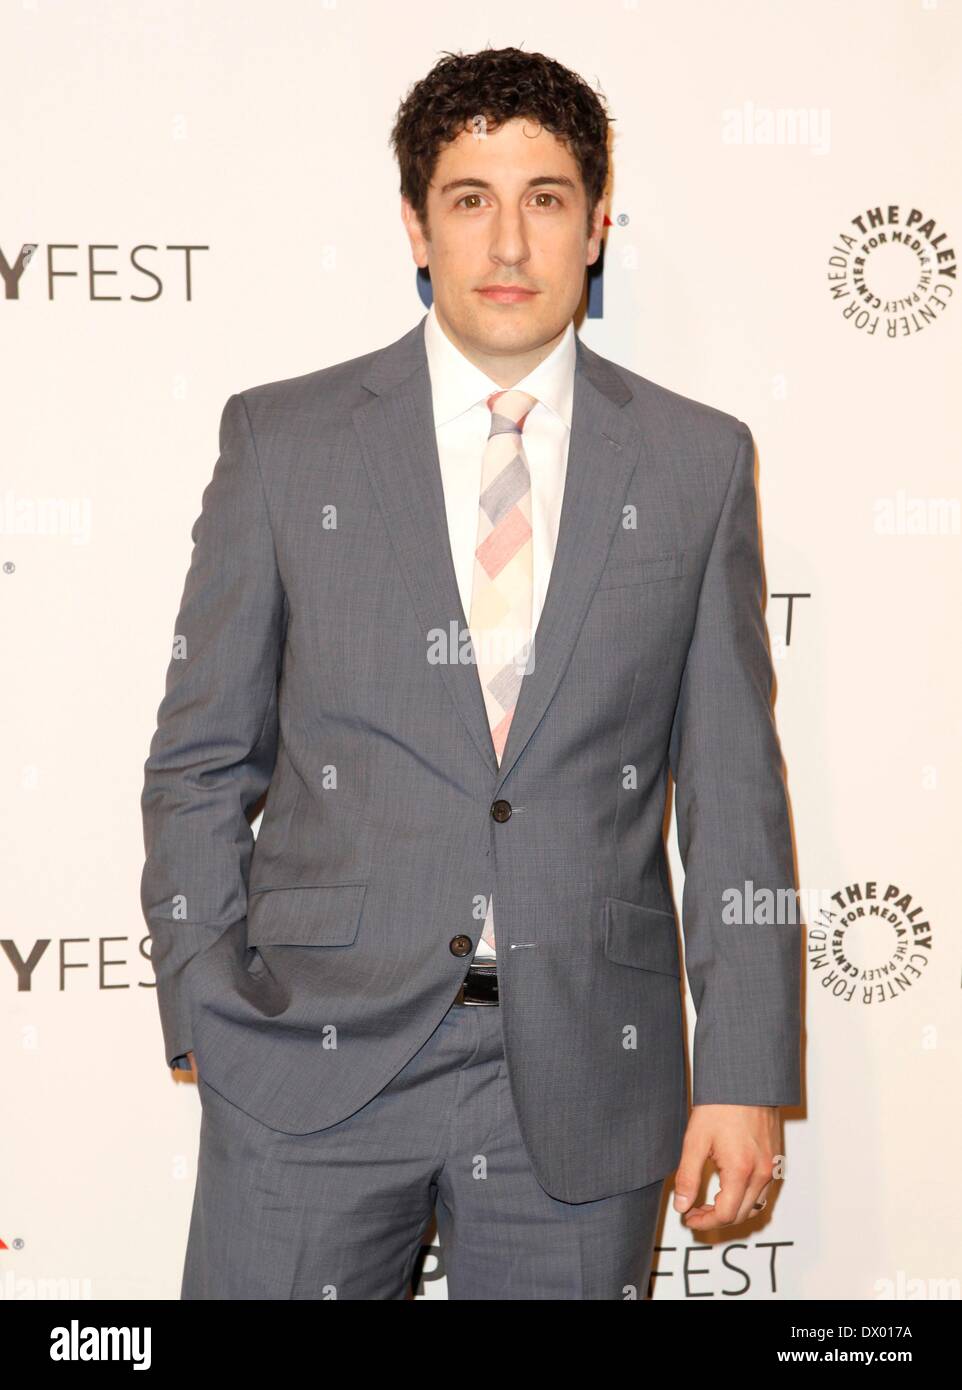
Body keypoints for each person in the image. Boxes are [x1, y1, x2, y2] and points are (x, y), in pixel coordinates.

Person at [140, 45, 801, 1301]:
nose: (508, 241)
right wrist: (208, 1013)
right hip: (311, 1067)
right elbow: (197, 762)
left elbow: (735, 797)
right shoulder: (282, 442)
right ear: (414, 223)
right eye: (468, 198)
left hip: (580, 1080)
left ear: (598, 225)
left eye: (546, 199)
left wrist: (743, 1069)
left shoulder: (693, 462)